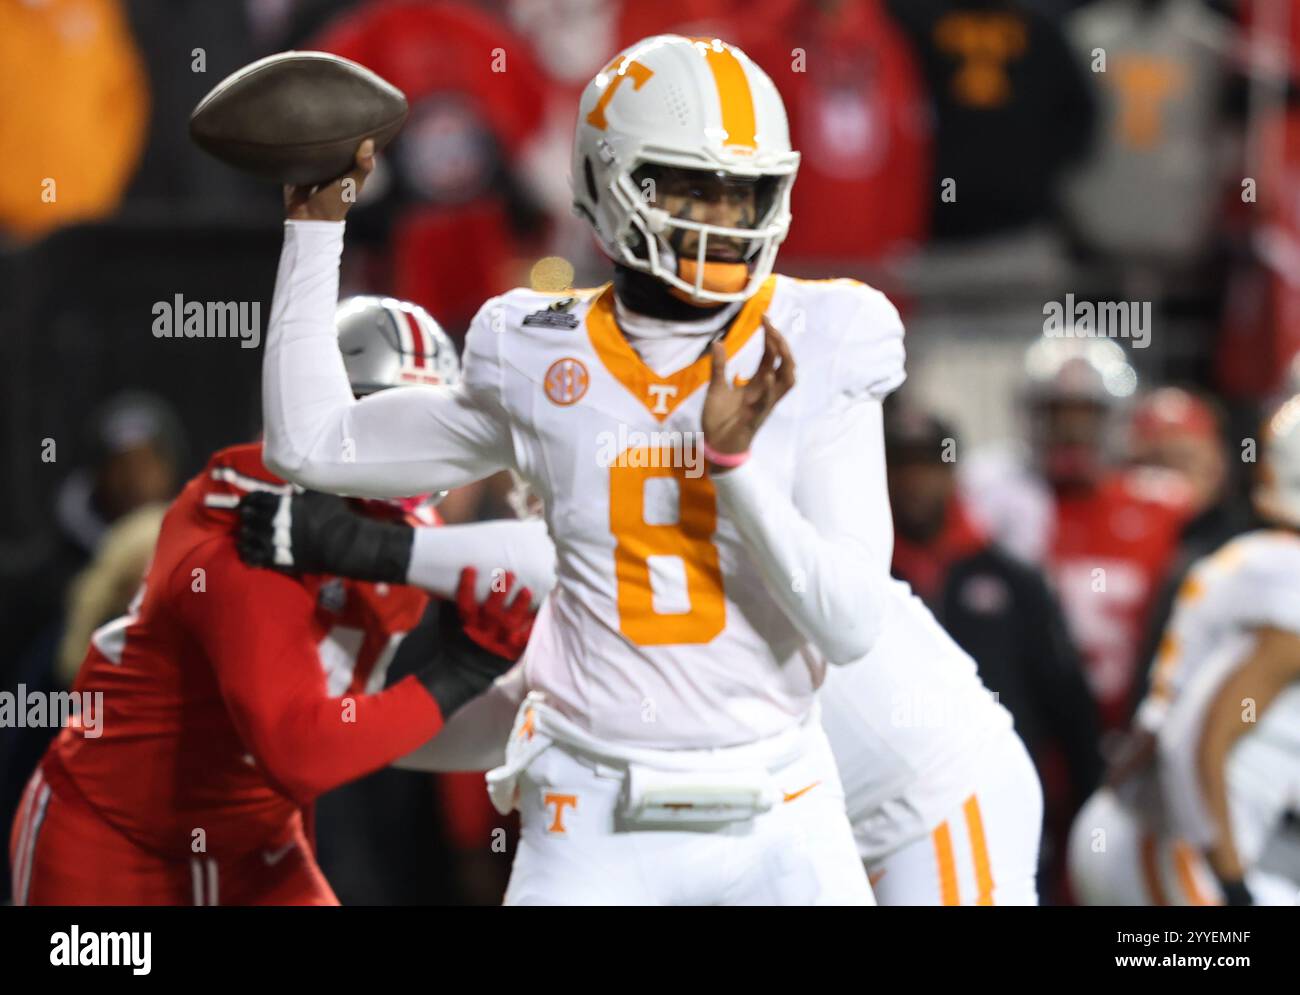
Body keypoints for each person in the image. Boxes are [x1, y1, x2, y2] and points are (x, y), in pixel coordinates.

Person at [260, 34, 906, 905]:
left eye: (741, 191)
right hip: (592, 806)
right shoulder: (533, 348)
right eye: (689, 186)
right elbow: (311, 444)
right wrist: (313, 227)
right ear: (609, 180)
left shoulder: (822, 336)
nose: (720, 218)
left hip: (782, 806)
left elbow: (852, 622)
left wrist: (734, 465)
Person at [241, 471, 1045, 906]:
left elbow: (538, 558)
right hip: (794, 838)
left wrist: (361, 545)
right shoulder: (584, 586)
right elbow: (493, 718)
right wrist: (336, 724)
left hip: (928, 801)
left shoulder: (663, 504)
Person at [8, 297, 534, 906]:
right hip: (117, 835)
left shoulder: (412, 538)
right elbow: (299, 750)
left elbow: (369, 724)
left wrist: (523, 705)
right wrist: (458, 675)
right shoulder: (247, 529)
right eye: (386, 419)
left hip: (254, 839)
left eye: (427, 424)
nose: (410, 451)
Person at [1069, 395, 1300, 906]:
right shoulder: (1286, 584)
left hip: (1153, 823)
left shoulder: (1257, 560)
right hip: (1170, 839)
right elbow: (1194, 736)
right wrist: (1232, 881)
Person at [885, 400, 1101, 901]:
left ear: (952, 472)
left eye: (928, 465)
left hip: (1001, 807)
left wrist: (1082, 816)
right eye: (901, 466)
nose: (914, 481)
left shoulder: (1014, 581)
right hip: (889, 811)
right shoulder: (864, 578)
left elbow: (1067, 704)